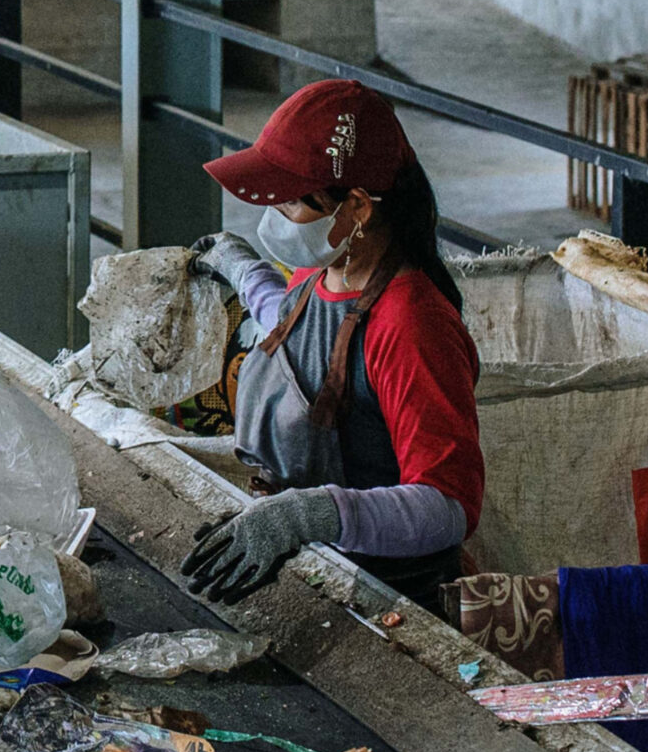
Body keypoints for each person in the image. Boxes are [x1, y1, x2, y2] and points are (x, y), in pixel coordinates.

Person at [183, 79, 483, 608]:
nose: (273, 219)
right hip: (316, 559)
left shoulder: (412, 325)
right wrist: (243, 269)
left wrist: (308, 515)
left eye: (290, 206)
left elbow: (448, 507)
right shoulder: (325, 267)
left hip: (388, 595)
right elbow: (299, 336)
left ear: (358, 208)